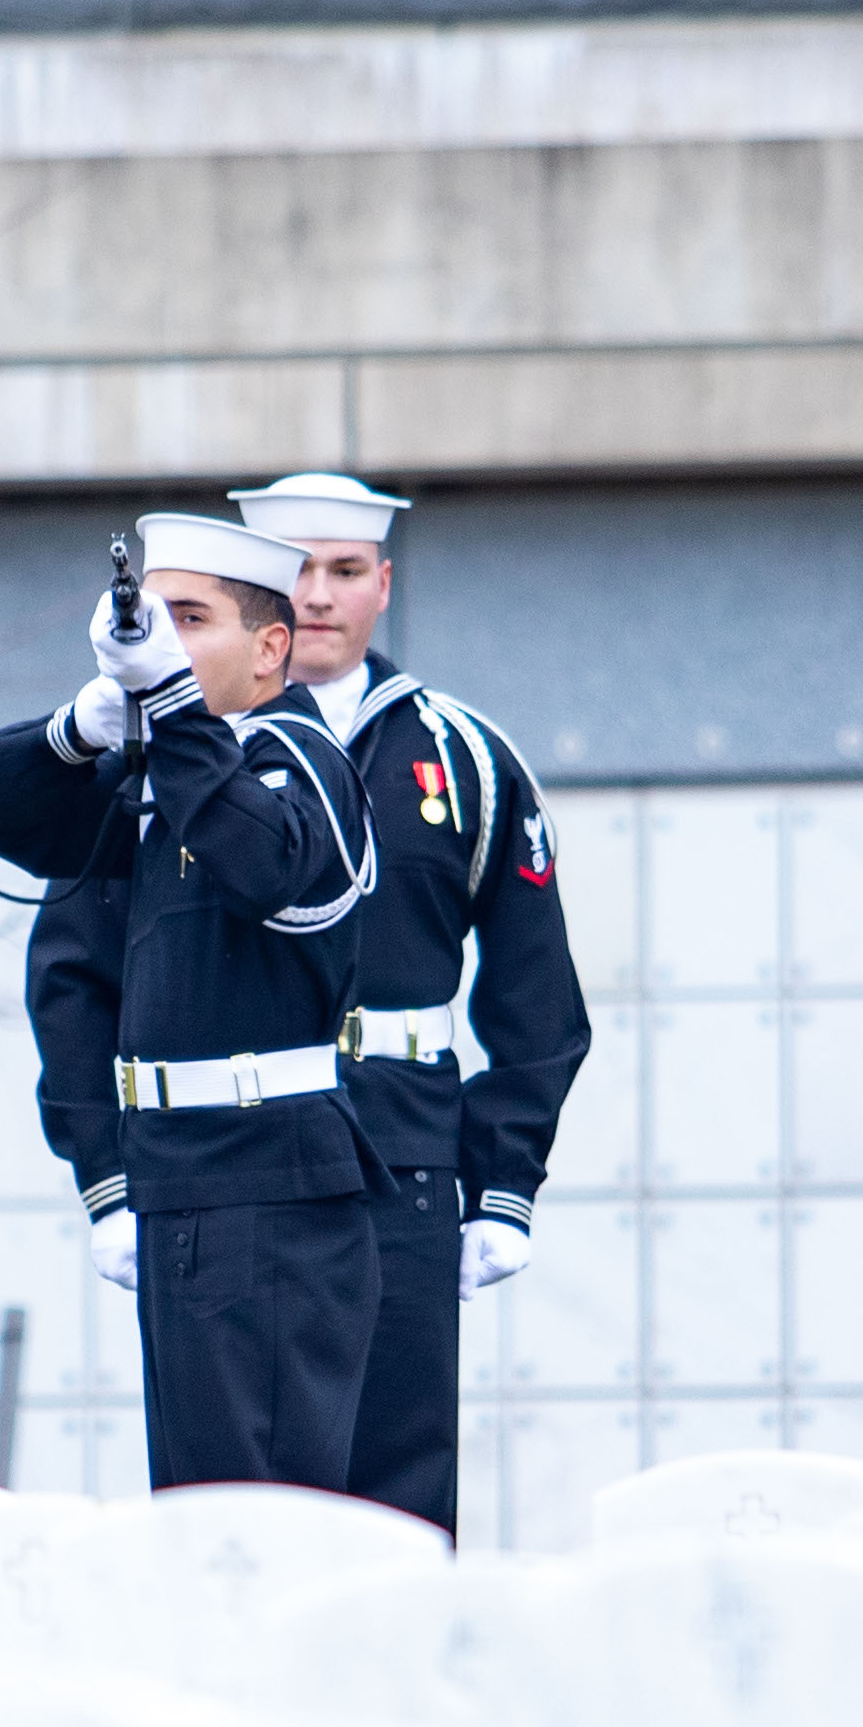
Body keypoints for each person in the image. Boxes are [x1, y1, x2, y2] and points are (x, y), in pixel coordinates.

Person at [0, 513, 382, 1494]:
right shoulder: (158, 773)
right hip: (175, 1181)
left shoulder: (300, 760)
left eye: (192, 621)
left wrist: (173, 707)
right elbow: (0, 824)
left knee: (265, 1505)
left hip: (273, 1183)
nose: (164, 644)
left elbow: (264, 861)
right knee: (198, 1503)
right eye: (154, 622)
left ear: (271, 648)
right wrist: (83, 727)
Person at [229, 470, 591, 1539]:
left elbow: (538, 997)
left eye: (346, 571)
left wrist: (507, 1180)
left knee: (397, 1487)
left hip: (405, 1158)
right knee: (247, 1495)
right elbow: (90, 968)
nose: (319, 597)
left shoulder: (464, 755)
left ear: (383, 584)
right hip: (235, 1155)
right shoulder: (188, 753)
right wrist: (111, 1168)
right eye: (294, 572)